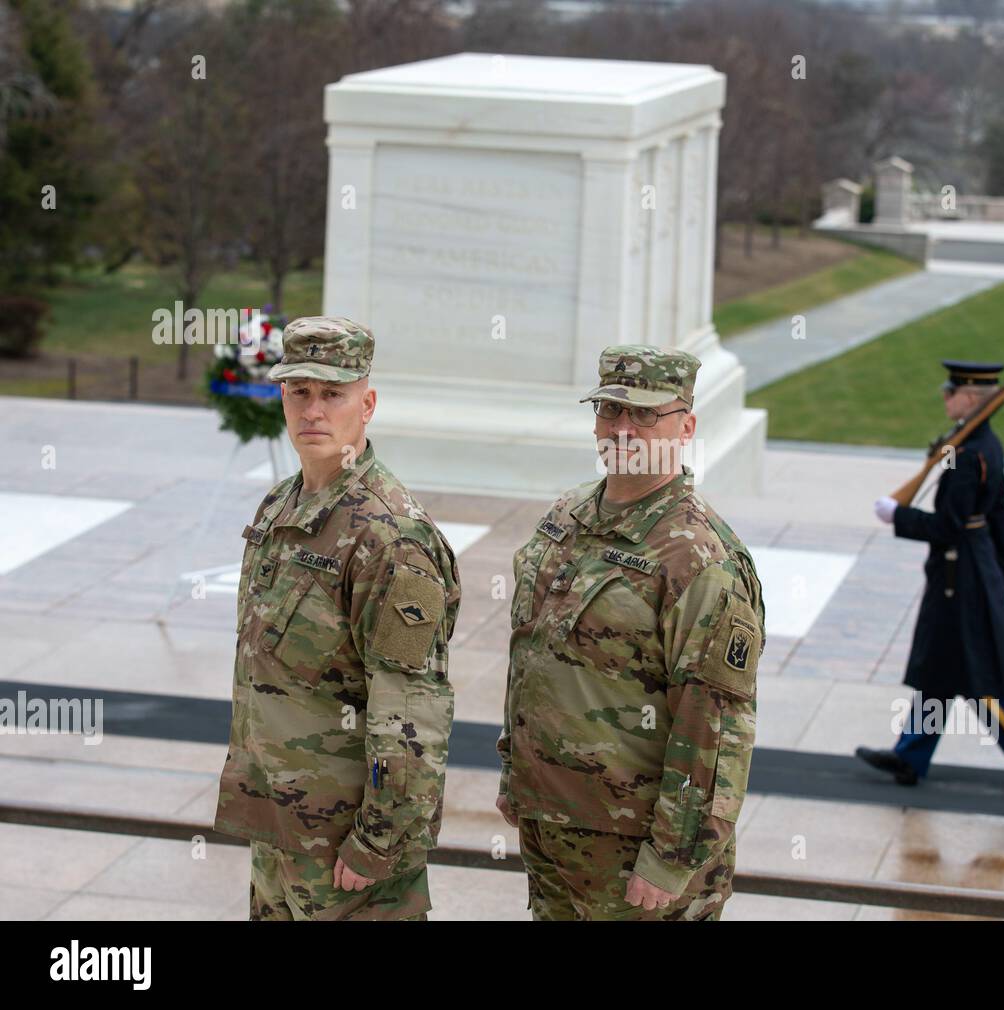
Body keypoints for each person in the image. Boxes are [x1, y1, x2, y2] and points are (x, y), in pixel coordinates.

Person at [496, 344, 765, 920]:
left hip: (636, 848)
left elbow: (714, 722)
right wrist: (515, 773)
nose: (623, 428)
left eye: (645, 414)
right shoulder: (567, 517)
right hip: (553, 821)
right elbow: (533, 653)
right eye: (610, 410)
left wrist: (672, 857)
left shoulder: (700, 557)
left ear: (686, 426)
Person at [213, 316, 460, 920]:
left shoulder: (390, 536)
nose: (313, 411)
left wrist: (379, 840)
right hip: (280, 821)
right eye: (299, 391)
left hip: (346, 845)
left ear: (367, 403)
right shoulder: (281, 504)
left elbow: (412, 710)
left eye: (333, 394)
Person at [858, 359, 1004, 794]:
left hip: (960, 577)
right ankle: (910, 756)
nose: (944, 396)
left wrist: (899, 516)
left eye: (951, 391)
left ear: (970, 398)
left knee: (974, 675)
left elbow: (949, 526)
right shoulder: (984, 444)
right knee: (939, 671)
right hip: (971, 567)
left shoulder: (967, 456)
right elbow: (1000, 512)